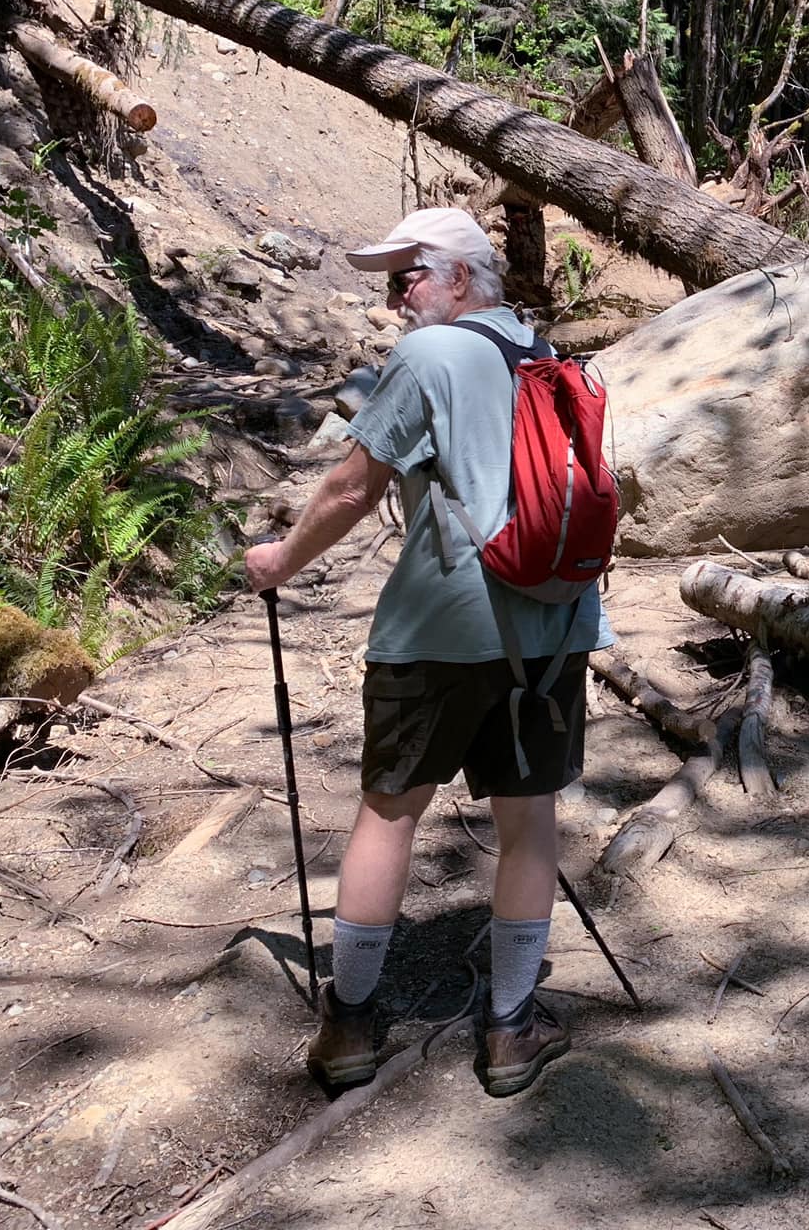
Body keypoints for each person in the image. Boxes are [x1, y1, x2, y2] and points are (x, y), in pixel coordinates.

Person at [244, 206, 613, 1098]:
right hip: (555, 625)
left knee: (390, 812)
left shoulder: (429, 357)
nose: (395, 295)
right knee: (528, 821)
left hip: (443, 631)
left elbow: (351, 486)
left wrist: (279, 559)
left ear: (458, 277)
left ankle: (351, 1027)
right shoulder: (554, 357)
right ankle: (512, 1030)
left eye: (407, 275)